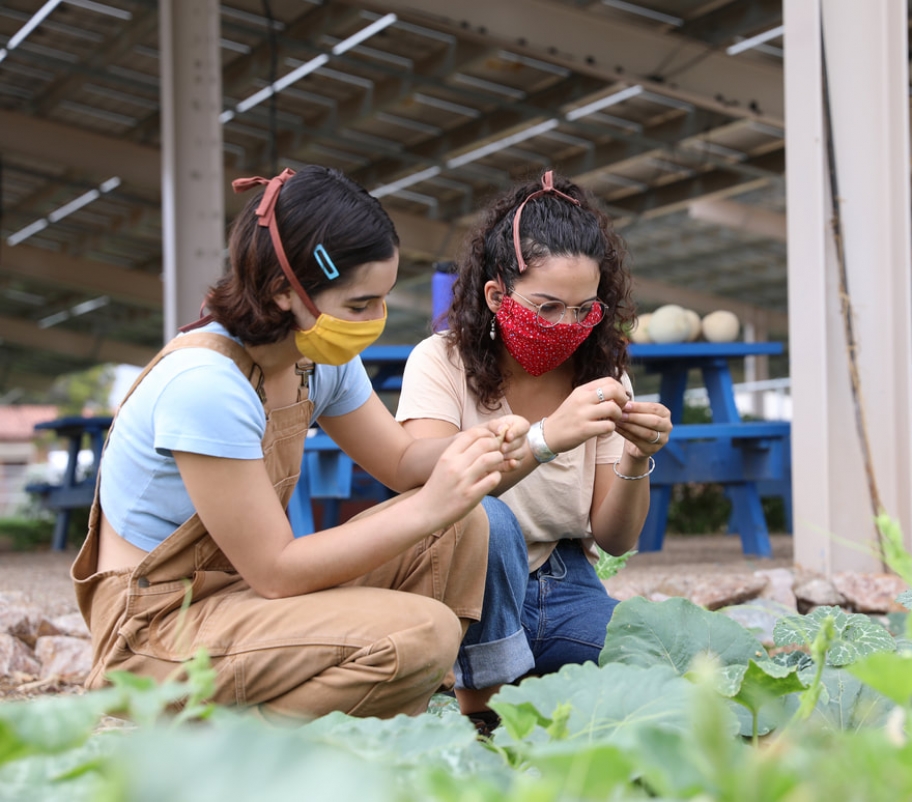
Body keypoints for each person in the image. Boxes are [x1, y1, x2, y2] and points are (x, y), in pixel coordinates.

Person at [71, 165, 529, 724]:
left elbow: (404, 461)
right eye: (359, 305)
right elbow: (277, 571)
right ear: (282, 291)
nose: (375, 320)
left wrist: (474, 444)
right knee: (422, 632)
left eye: (381, 300)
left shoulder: (314, 358)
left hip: (241, 598)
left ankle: (374, 707)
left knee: (463, 525)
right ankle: (222, 747)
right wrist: (433, 503)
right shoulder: (206, 384)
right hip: (157, 626)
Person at [397, 170, 672, 727]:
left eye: (583, 309)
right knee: (489, 518)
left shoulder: (601, 372)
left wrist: (637, 459)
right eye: (547, 307)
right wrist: (548, 438)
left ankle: (517, 682)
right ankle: (482, 712)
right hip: (465, 590)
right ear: (497, 295)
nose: (567, 326)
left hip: (565, 583)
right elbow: (429, 494)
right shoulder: (438, 361)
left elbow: (615, 537)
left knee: (659, 680)